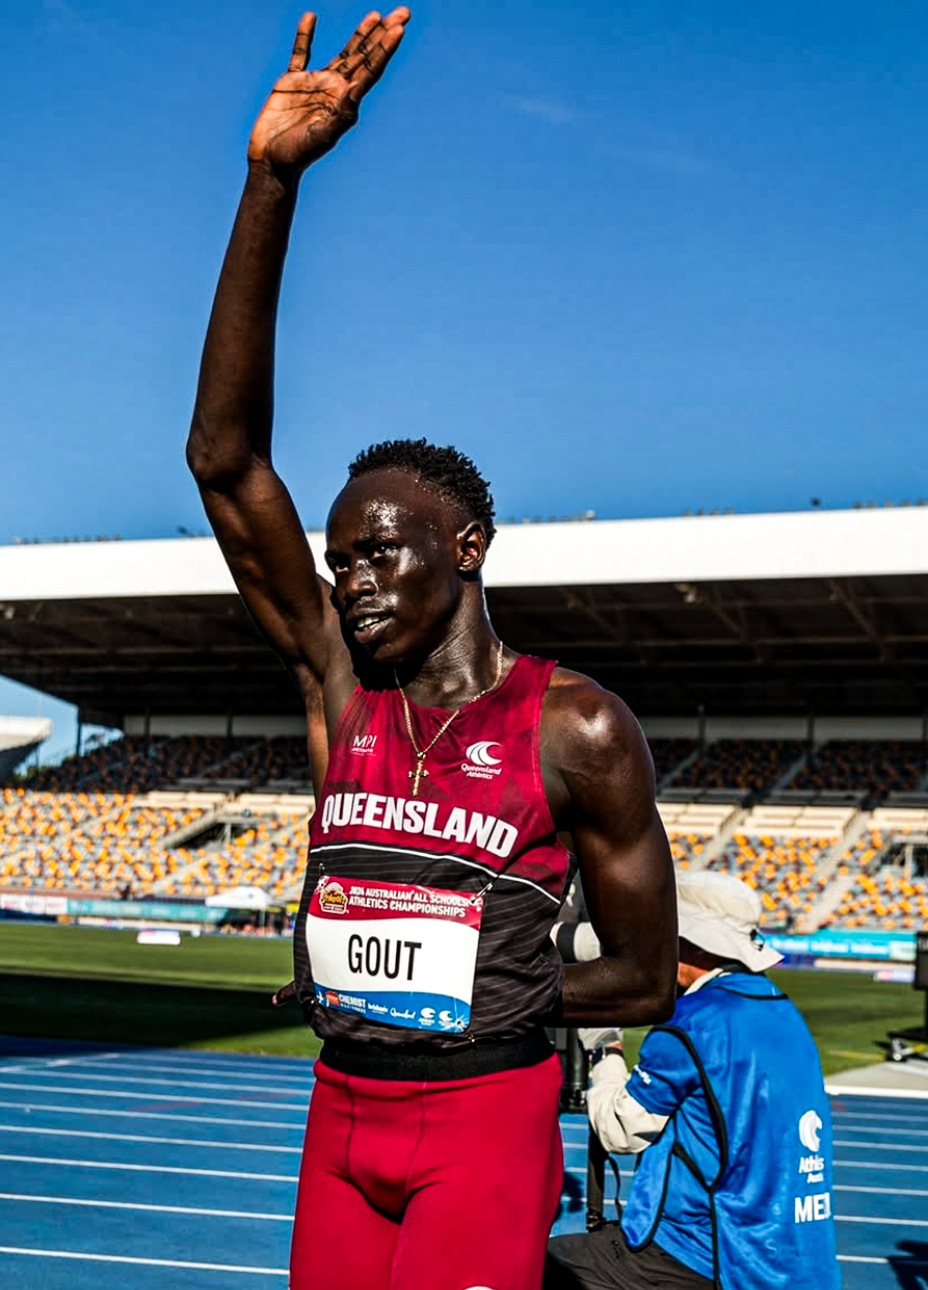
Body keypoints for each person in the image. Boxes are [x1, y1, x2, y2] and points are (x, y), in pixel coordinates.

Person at [186, 10, 678, 1289]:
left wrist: (490, 988)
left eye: (381, 554)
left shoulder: (575, 727)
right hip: (338, 1117)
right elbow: (224, 463)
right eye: (339, 560)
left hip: (485, 1122)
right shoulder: (341, 690)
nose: (351, 581)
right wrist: (270, 182)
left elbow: (637, 973)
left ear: (465, 551)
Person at [545, 871, 840, 1290]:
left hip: (705, 1252)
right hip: (790, 1256)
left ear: (687, 943)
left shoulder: (696, 1022)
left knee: (541, 1267)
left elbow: (619, 1132)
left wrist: (605, 1047)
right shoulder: (782, 1010)